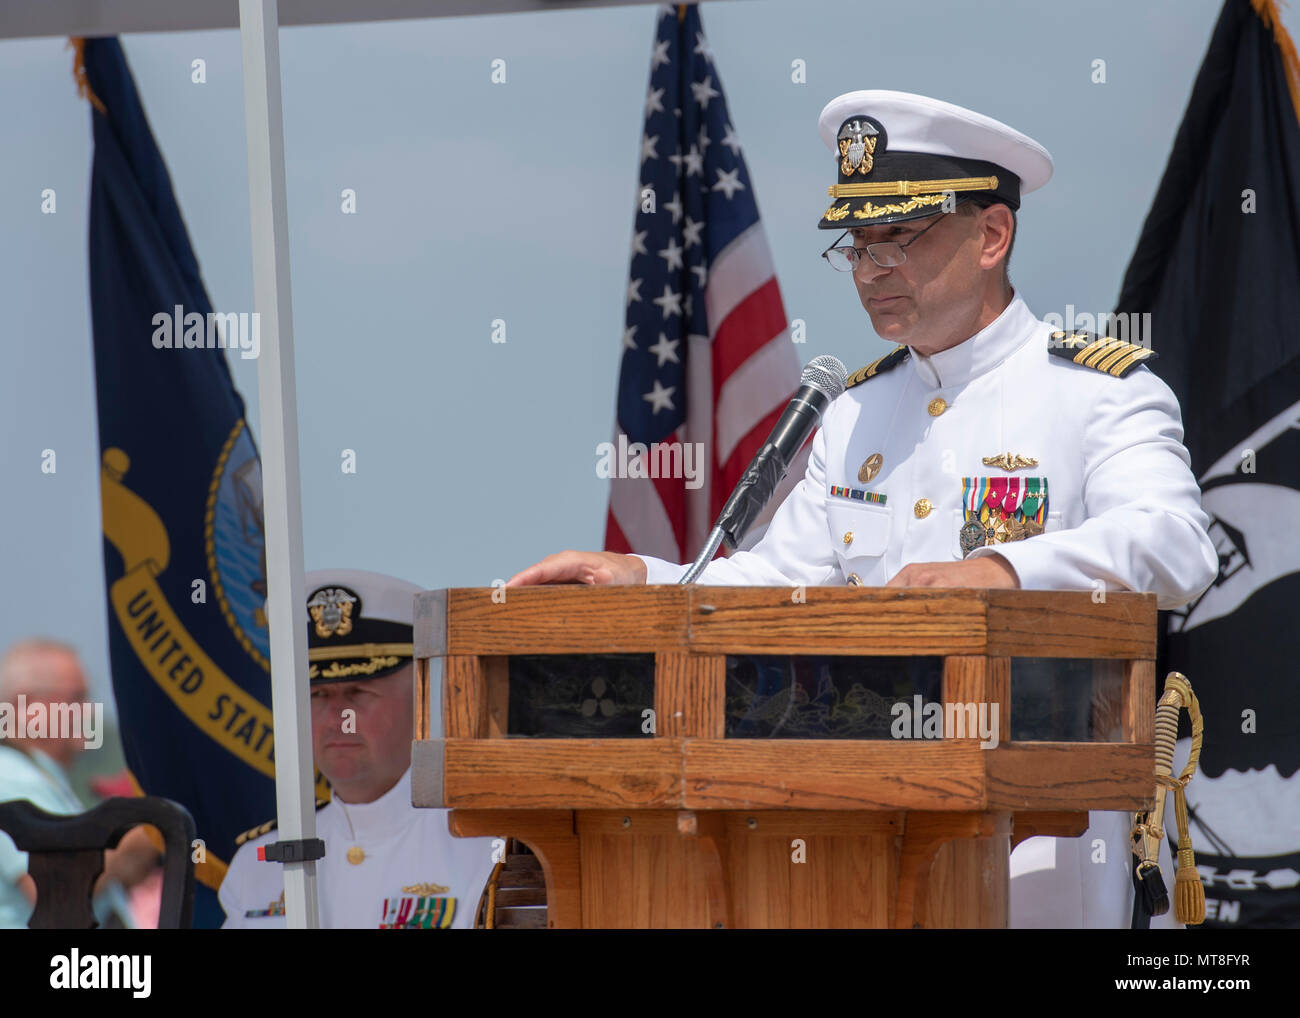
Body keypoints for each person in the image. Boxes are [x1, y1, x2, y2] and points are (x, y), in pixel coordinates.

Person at [508, 90, 1218, 928]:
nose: (873, 269)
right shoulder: (851, 414)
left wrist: (996, 571)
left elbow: (1176, 546)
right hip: (860, 842)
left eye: (900, 238)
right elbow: (781, 584)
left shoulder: (1099, 393)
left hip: (1047, 849)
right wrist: (642, 580)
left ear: (992, 235)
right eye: (858, 244)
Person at [219, 570, 498, 929]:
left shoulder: (487, 848)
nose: (339, 717)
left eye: (359, 692)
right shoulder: (256, 867)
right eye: (317, 695)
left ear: (423, 696)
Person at [0, 639, 159, 928]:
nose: (89, 711)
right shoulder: (9, 777)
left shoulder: (33, 776)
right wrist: (149, 832)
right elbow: (49, 889)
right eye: (77, 698)